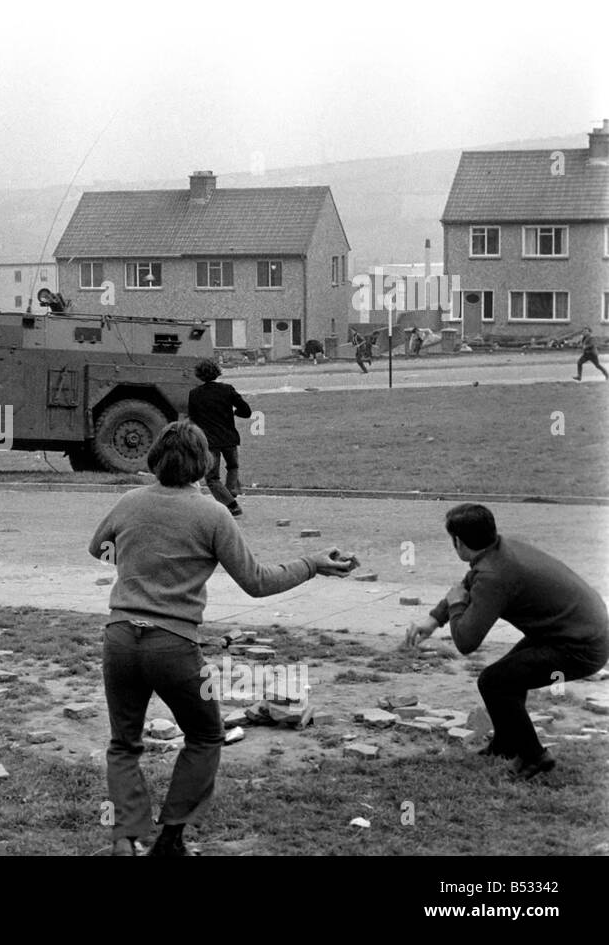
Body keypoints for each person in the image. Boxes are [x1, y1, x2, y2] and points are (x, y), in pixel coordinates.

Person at [88, 420, 357, 856]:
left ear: (155, 457)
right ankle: (171, 838)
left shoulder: (129, 501)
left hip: (119, 639)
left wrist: (140, 559)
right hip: (172, 643)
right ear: (204, 464)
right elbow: (257, 581)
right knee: (206, 735)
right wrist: (312, 563)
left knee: (123, 743)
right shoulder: (212, 513)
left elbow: (97, 549)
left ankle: (126, 838)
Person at [406, 504, 609, 780]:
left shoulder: (494, 576)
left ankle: (534, 757)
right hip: (576, 631)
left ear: (458, 542)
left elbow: (466, 641)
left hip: (581, 647)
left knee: (495, 681)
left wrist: (455, 608)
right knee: (506, 678)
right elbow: (468, 583)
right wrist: (433, 620)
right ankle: (506, 744)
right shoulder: (498, 551)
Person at [186, 359, 250, 517]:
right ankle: (231, 491)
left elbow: (193, 418)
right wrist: (235, 413)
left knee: (212, 478)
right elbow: (246, 410)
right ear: (217, 371)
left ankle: (231, 505)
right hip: (229, 438)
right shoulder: (227, 390)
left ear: (199, 375)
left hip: (210, 441)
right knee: (233, 466)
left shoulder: (194, 394)